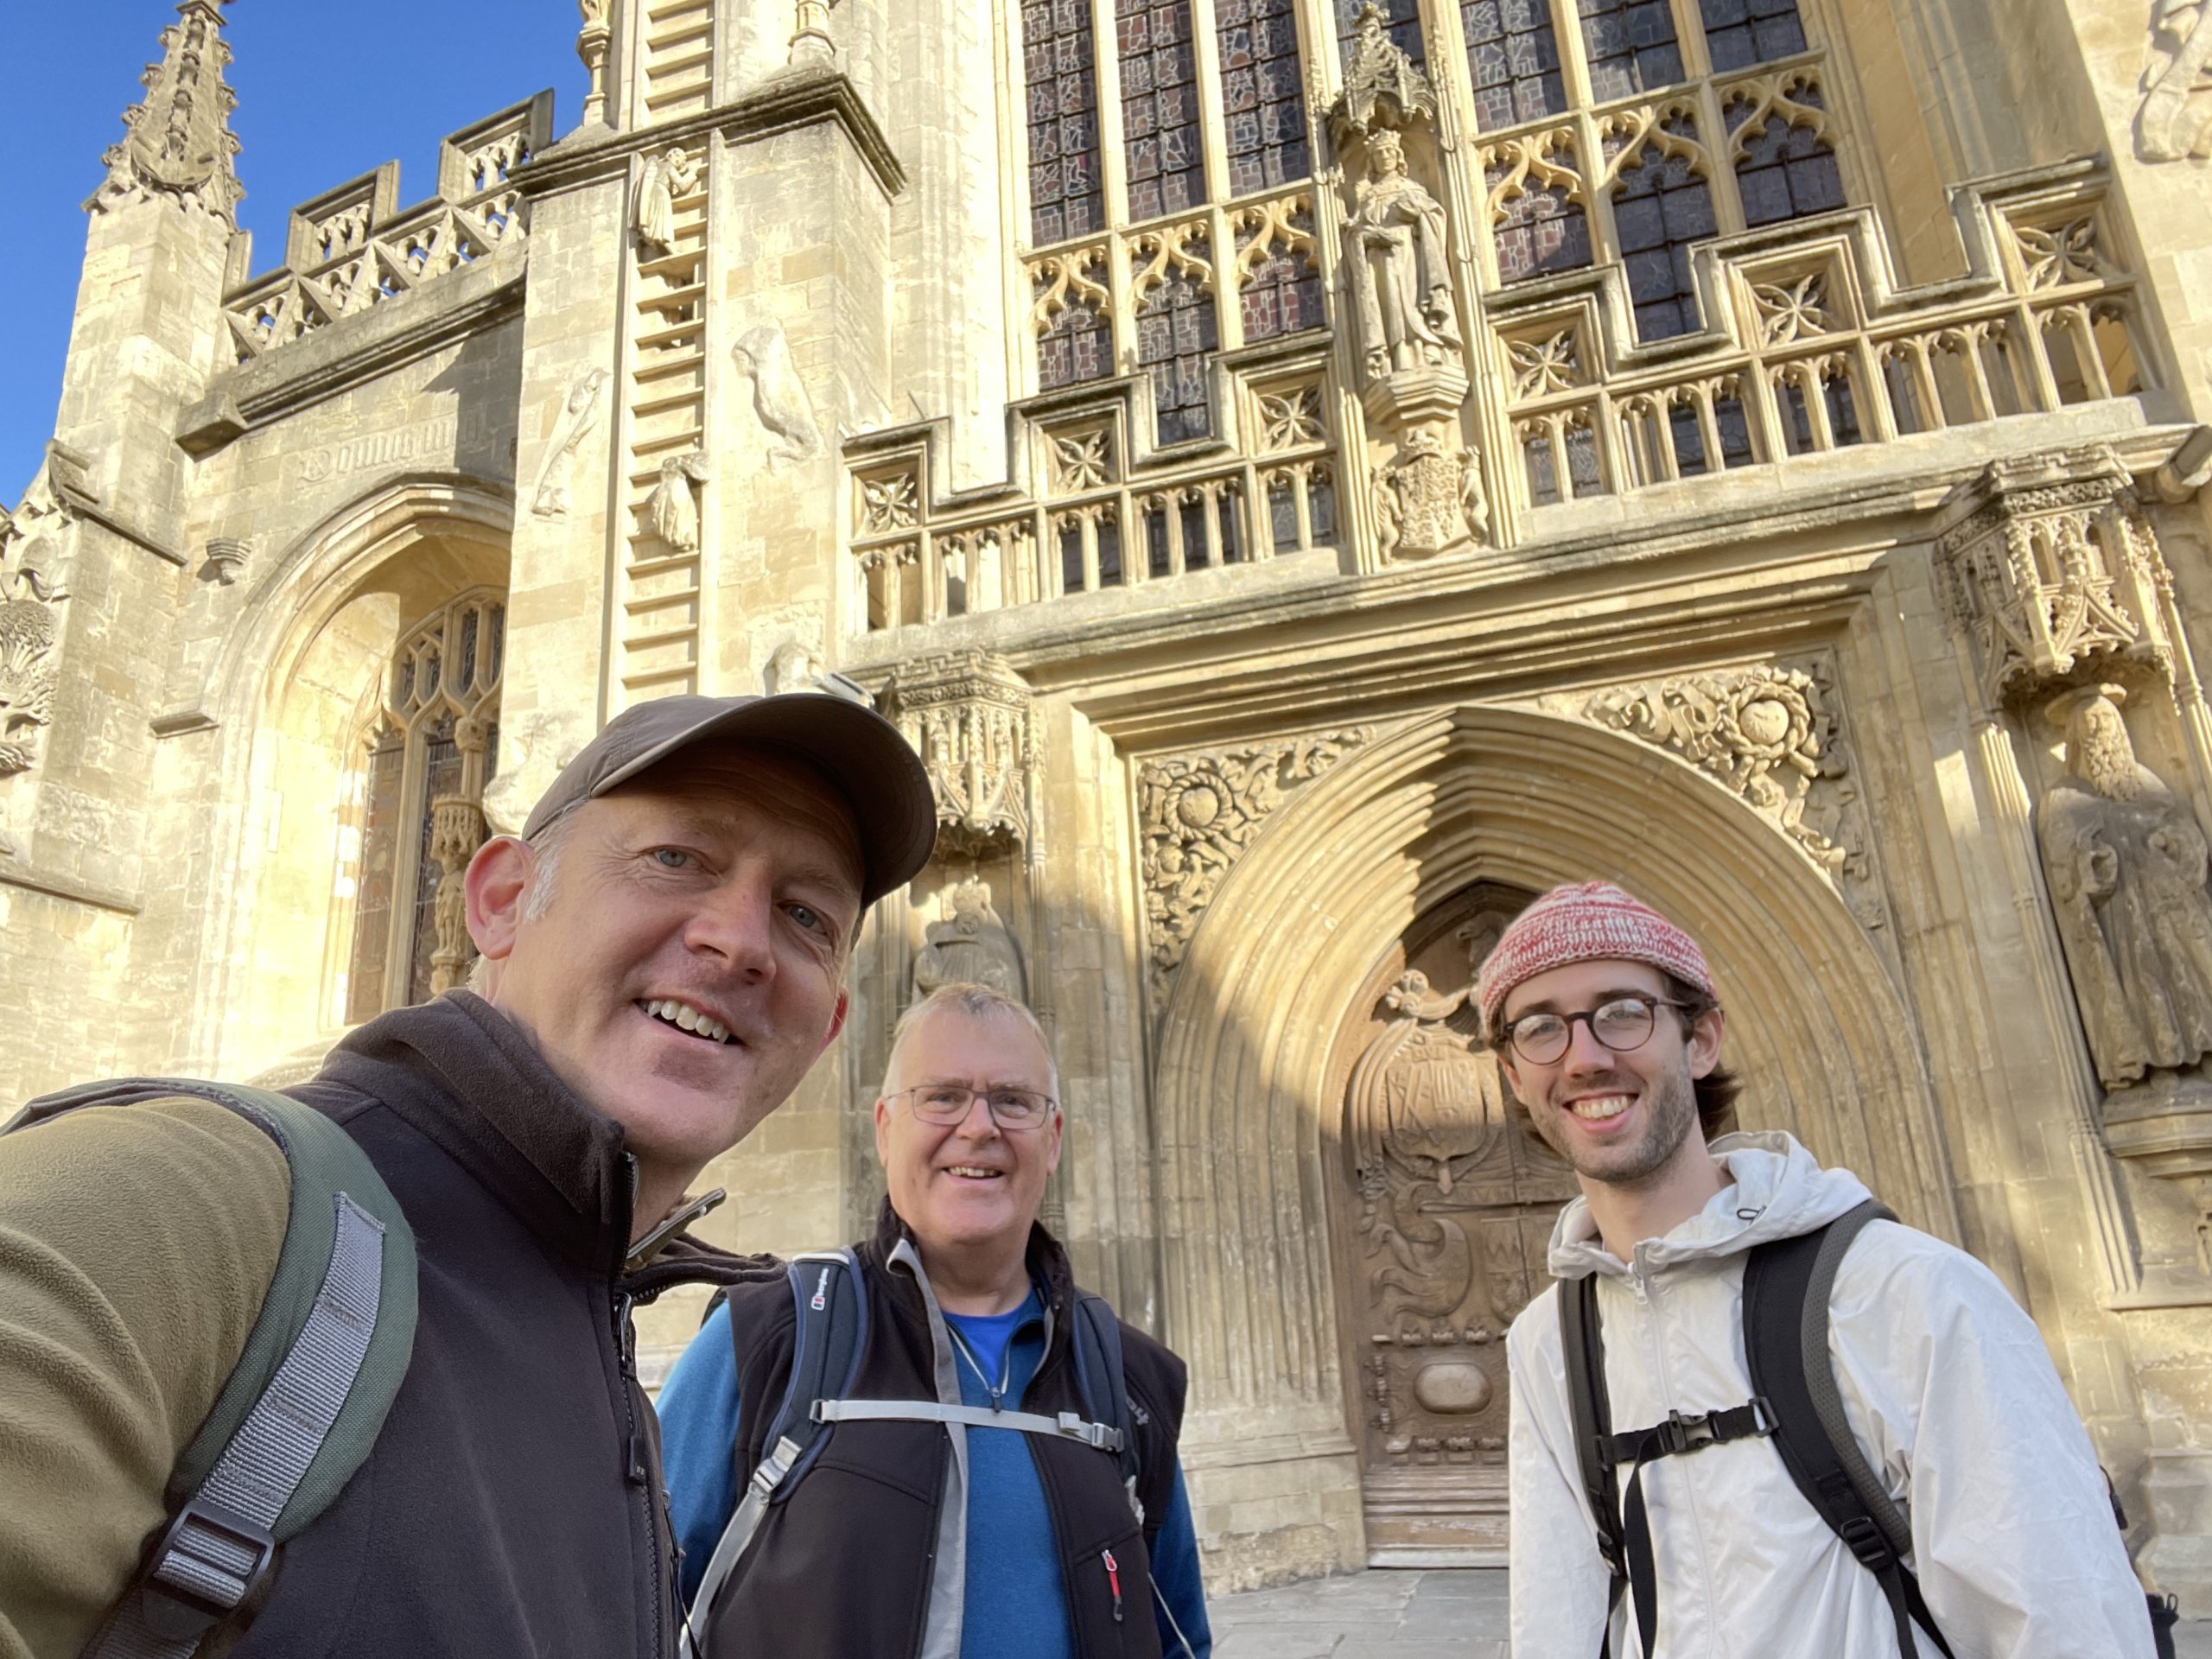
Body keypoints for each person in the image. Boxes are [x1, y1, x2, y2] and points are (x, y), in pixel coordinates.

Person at [0, 690, 936, 1659]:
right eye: (677, 858)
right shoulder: (201, 1194)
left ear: (827, 1027)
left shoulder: (597, 1335)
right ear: (500, 900)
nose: (739, 942)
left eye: (804, 915)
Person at [1487, 880, 2156, 1658]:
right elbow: (1558, 1619)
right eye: (1540, 1028)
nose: (1584, 1057)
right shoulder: (1547, 1341)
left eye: (1622, 1012)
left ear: (1701, 1040)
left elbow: (2066, 1619)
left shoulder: (1907, 1290)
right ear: (1514, 1076)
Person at [658, 982, 1212, 1658]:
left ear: (1054, 1140)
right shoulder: (769, 1340)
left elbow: (1179, 1639)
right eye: (943, 1097)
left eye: (1013, 1100)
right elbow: (624, 1605)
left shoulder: (1127, 1379)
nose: (979, 1127)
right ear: (885, 1130)